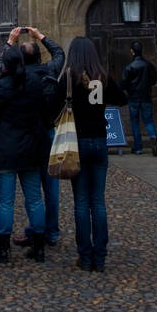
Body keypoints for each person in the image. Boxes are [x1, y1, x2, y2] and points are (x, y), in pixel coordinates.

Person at [55, 36, 127, 272]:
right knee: (98, 201)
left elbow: (51, 106)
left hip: (77, 144)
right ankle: (100, 256)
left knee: (81, 202)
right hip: (99, 142)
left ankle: (85, 256)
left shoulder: (68, 78)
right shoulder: (102, 77)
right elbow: (122, 99)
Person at [0, 44, 51, 263]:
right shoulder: (34, 83)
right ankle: (39, 247)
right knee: (34, 199)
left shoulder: (1, 86)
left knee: (6, 200)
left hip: (6, 148)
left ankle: (2, 249)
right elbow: (45, 110)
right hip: (30, 147)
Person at [11, 26, 64, 249]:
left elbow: (0, 62)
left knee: (32, 190)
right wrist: (40, 36)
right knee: (51, 188)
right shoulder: (50, 71)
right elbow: (60, 53)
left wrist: (10, 41)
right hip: (48, 133)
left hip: (27, 136)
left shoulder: (16, 77)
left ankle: (37, 229)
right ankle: (50, 231)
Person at [122, 40, 157, 155]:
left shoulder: (129, 67)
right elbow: (154, 80)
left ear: (132, 52)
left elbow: (124, 83)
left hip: (133, 98)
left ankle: (138, 147)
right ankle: (153, 136)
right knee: (149, 121)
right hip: (146, 97)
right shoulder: (149, 65)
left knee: (135, 122)